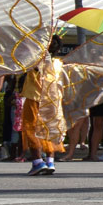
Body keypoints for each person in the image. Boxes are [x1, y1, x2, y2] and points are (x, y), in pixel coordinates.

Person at [21, 36, 71, 175]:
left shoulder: (38, 61)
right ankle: (50, 161)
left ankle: (38, 161)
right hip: (53, 101)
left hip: (35, 98)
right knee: (50, 129)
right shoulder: (58, 63)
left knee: (31, 128)